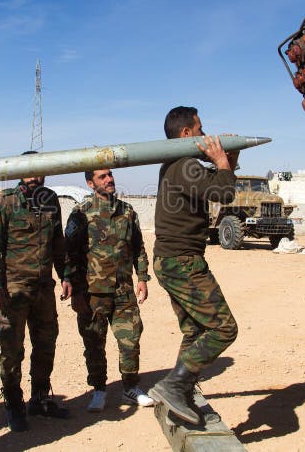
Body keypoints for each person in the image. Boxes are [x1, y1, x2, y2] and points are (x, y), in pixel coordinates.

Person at [148, 106, 239, 425]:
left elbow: (213, 183)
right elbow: (224, 193)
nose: (205, 134)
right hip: (181, 261)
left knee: (195, 330)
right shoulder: (185, 165)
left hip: (173, 260)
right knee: (223, 328)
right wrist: (222, 162)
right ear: (186, 133)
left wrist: (230, 159)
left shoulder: (176, 164)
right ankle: (174, 385)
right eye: (200, 129)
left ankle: (180, 394)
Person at [0, 152, 70, 432]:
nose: (34, 176)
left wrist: (65, 275)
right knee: (12, 349)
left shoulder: (50, 200)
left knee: (46, 344)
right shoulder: (5, 201)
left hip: (43, 289)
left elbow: (58, 243)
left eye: (39, 170)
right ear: (20, 172)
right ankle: (14, 403)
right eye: (29, 170)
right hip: (14, 290)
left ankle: (40, 399)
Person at [64, 169, 155, 413]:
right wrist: (74, 289)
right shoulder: (81, 213)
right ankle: (99, 390)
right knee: (94, 343)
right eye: (102, 177)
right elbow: (70, 253)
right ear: (90, 183)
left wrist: (142, 278)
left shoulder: (127, 211)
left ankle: (130, 387)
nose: (109, 179)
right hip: (92, 293)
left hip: (123, 290)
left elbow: (138, 247)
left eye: (110, 174)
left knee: (130, 340)